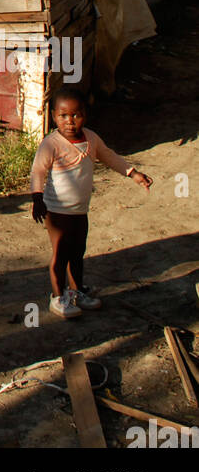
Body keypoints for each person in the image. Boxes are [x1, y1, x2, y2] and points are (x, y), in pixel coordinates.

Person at [31, 90, 152, 318]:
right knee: (61, 252)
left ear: (85, 115)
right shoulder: (51, 144)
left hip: (79, 210)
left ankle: (77, 291)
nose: (70, 121)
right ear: (53, 116)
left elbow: (110, 156)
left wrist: (133, 173)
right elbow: (38, 170)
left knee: (78, 251)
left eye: (76, 115)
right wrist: (37, 198)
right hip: (57, 211)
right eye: (63, 116)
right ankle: (58, 297)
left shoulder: (92, 139)